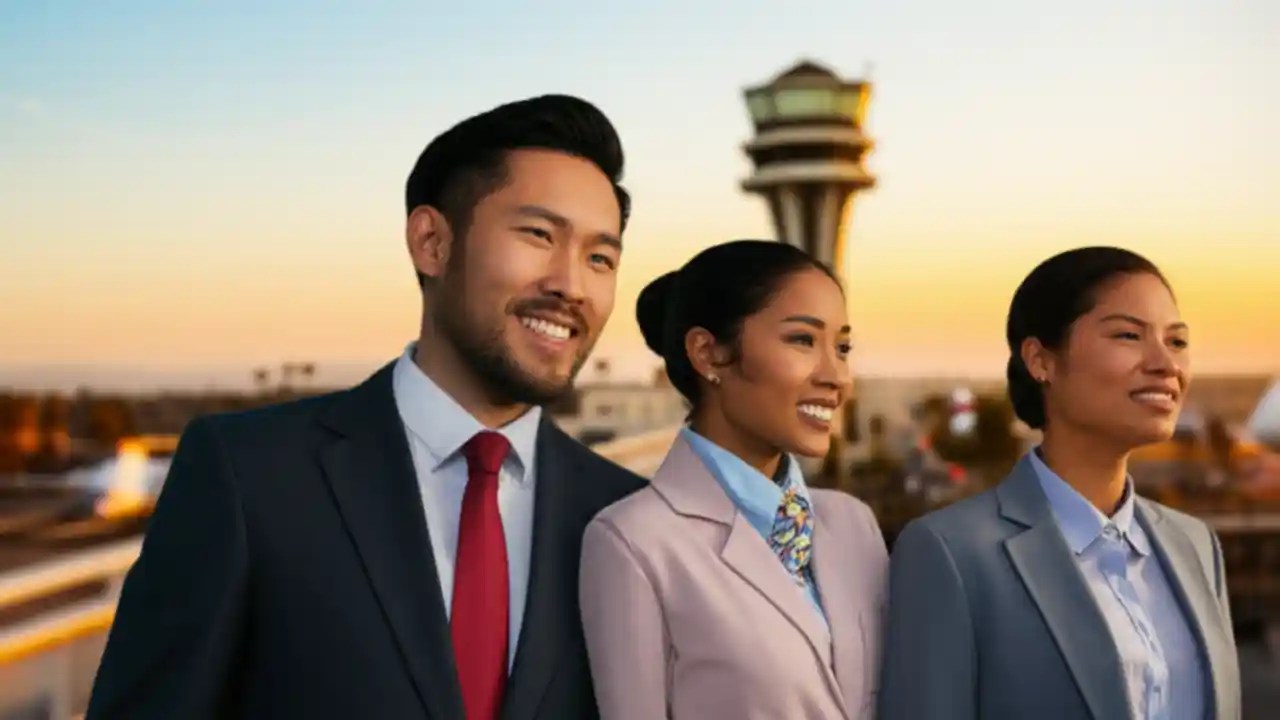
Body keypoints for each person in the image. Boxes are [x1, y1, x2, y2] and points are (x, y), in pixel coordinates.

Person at [86, 94, 647, 720]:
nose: (571, 284)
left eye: (600, 258)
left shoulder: (629, 517)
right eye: (539, 235)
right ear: (431, 242)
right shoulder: (250, 476)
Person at [878, 246, 1240, 719]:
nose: (1165, 363)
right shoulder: (951, 552)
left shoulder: (1195, 545)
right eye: (1129, 335)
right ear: (1040, 360)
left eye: (1177, 341)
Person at [579, 240, 889, 720]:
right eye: (803, 340)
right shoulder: (633, 542)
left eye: (842, 347)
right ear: (707, 354)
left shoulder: (853, 525)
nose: (836, 376)